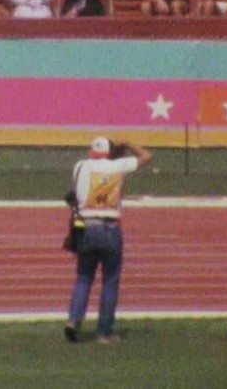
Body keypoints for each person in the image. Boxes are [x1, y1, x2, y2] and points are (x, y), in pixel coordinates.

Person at [64, 136, 153, 344]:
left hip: (86, 227)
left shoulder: (79, 166)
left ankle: (73, 320)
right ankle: (104, 332)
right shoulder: (119, 166)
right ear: (110, 152)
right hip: (110, 227)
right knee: (110, 281)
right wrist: (128, 143)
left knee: (83, 277)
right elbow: (147, 157)